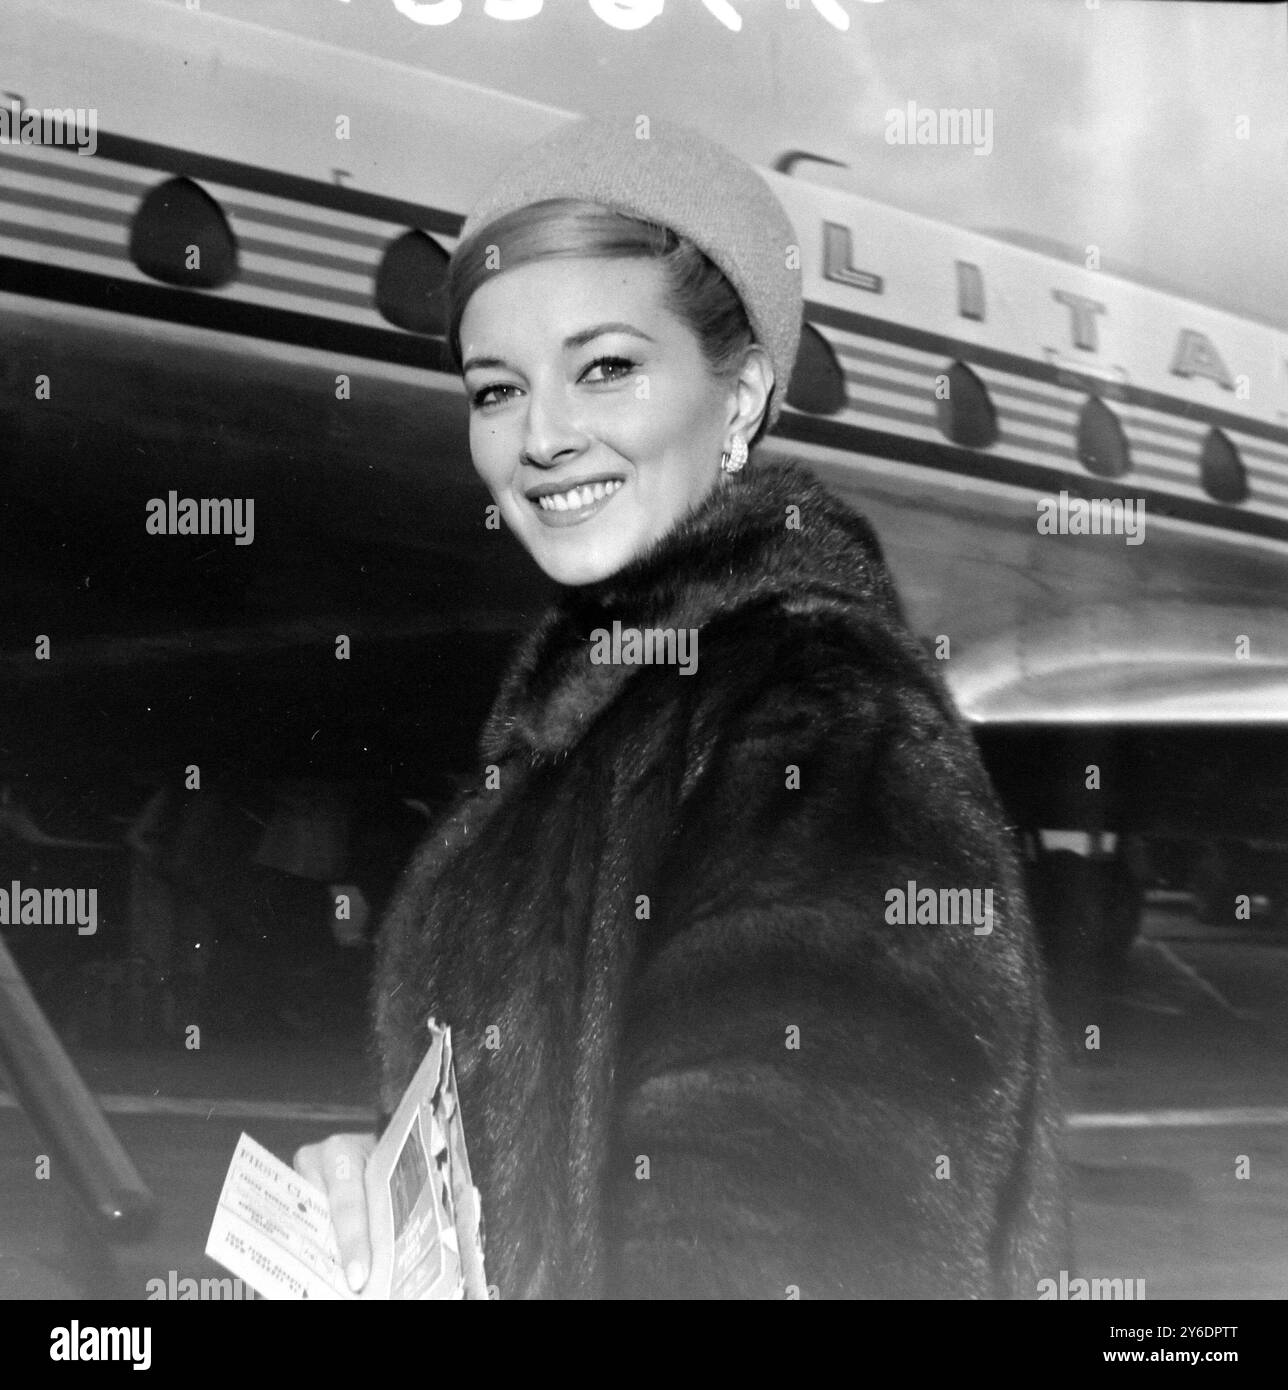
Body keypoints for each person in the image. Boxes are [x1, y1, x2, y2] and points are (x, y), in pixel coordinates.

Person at [295, 114, 1067, 1299]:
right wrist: (410, 1203)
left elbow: (783, 1253)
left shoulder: (818, 719)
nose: (541, 438)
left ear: (743, 392)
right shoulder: (618, 717)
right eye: (495, 390)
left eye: (605, 366)